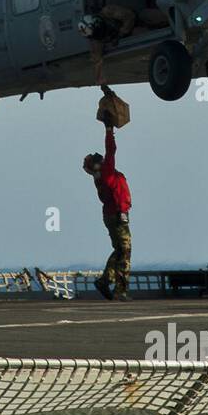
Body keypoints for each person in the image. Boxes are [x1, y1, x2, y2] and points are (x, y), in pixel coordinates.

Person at [82, 114, 132, 301]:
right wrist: (109, 130)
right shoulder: (107, 172)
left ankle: (105, 281)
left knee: (119, 250)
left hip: (112, 215)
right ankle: (121, 290)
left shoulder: (100, 177)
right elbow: (111, 149)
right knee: (125, 252)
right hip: (118, 214)